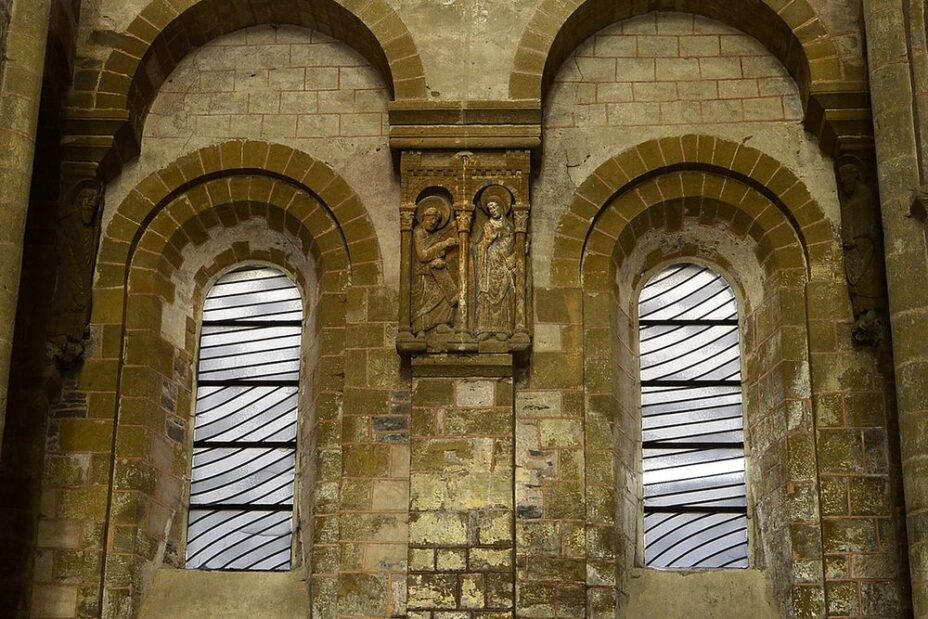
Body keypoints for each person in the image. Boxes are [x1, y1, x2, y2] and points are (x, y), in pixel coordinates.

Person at [474, 188, 515, 340]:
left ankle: (502, 329)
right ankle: (484, 328)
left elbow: (513, 242)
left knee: (504, 293)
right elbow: (479, 246)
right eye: (490, 208)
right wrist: (489, 240)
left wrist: (517, 253)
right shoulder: (487, 225)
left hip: (504, 264)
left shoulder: (510, 225)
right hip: (489, 265)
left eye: (495, 206)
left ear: (502, 206)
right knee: (486, 294)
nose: (492, 210)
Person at [412, 205, 459, 335]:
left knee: (446, 293)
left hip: (435, 272)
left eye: (436, 221)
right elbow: (422, 255)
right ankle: (420, 327)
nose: (433, 223)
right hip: (423, 273)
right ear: (424, 218)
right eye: (431, 219)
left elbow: (439, 253)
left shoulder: (434, 235)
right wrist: (443, 244)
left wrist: (445, 250)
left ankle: (441, 323)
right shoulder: (418, 233)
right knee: (423, 300)